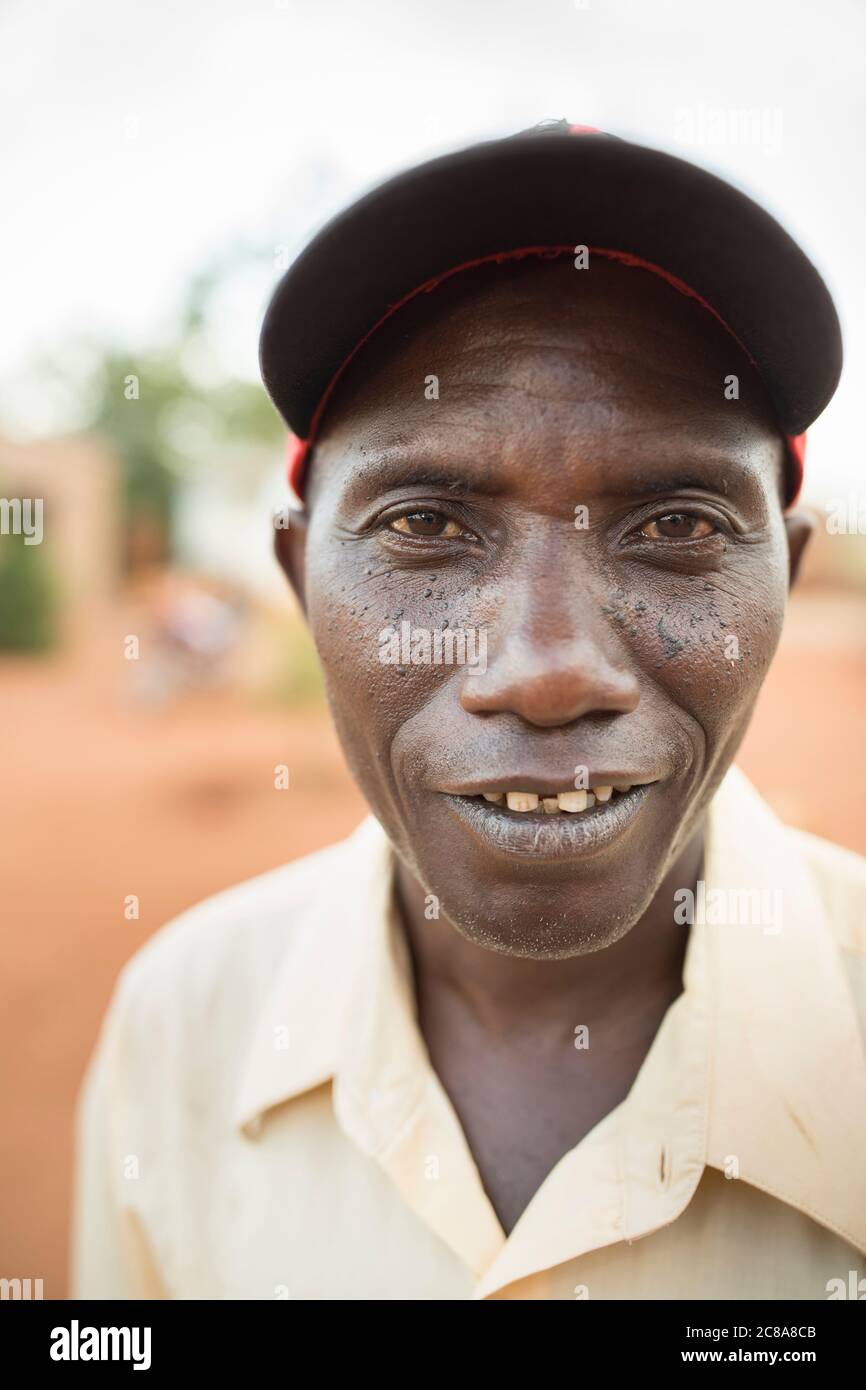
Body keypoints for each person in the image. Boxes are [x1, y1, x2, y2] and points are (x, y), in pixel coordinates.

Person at [72, 123, 866, 1300]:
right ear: (297, 578)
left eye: (678, 527)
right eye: (425, 524)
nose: (546, 671)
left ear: (786, 579)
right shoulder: (185, 1020)